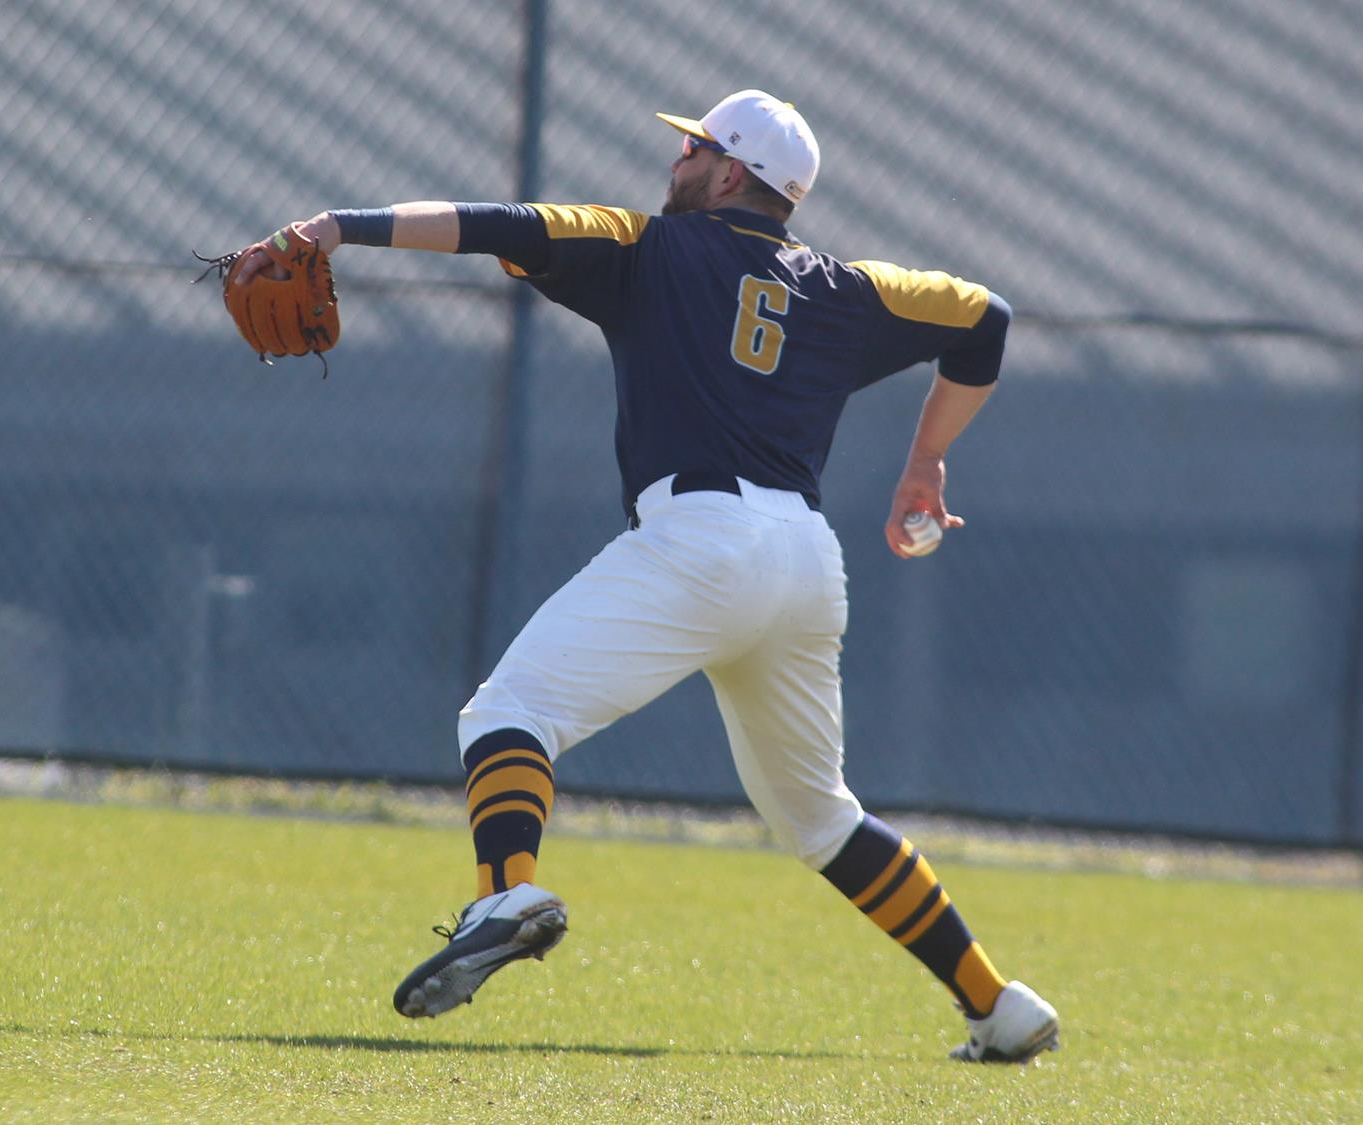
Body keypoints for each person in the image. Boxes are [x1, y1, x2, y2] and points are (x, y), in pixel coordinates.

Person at [232, 90, 1059, 1063]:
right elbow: (986, 319)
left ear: (730, 173)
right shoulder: (843, 286)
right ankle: (996, 1005)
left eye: (693, 149)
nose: (674, 164)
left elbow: (493, 224)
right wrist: (924, 460)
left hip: (701, 538)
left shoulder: (643, 247)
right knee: (820, 816)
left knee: (509, 713)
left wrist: (338, 229)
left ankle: (507, 895)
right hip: (802, 560)